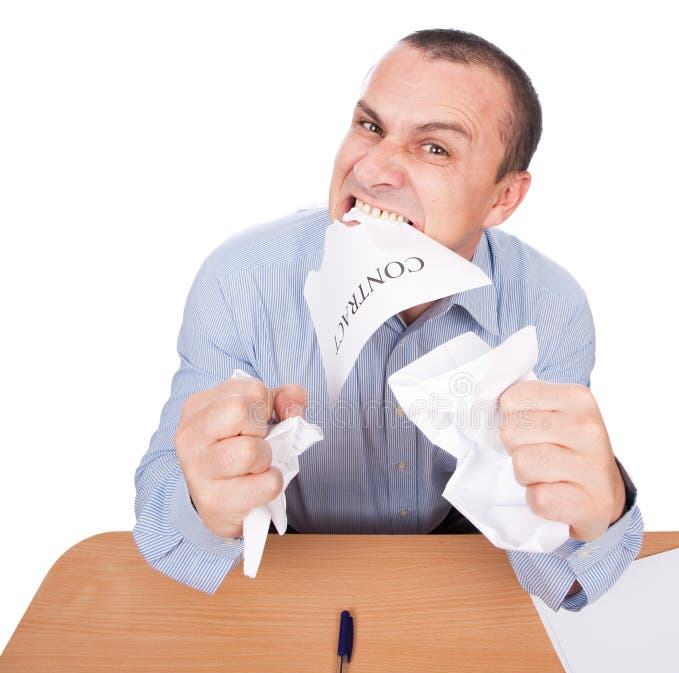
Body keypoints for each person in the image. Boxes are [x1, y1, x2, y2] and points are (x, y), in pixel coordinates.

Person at [133, 29, 642, 611]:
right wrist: (204, 501)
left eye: (435, 148)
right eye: (371, 127)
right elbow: (164, 537)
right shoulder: (241, 280)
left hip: (457, 571)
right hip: (288, 568)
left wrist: (595, 519)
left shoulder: (549, 309)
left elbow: (559, 582)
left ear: (502, 198)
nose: (372, 170)